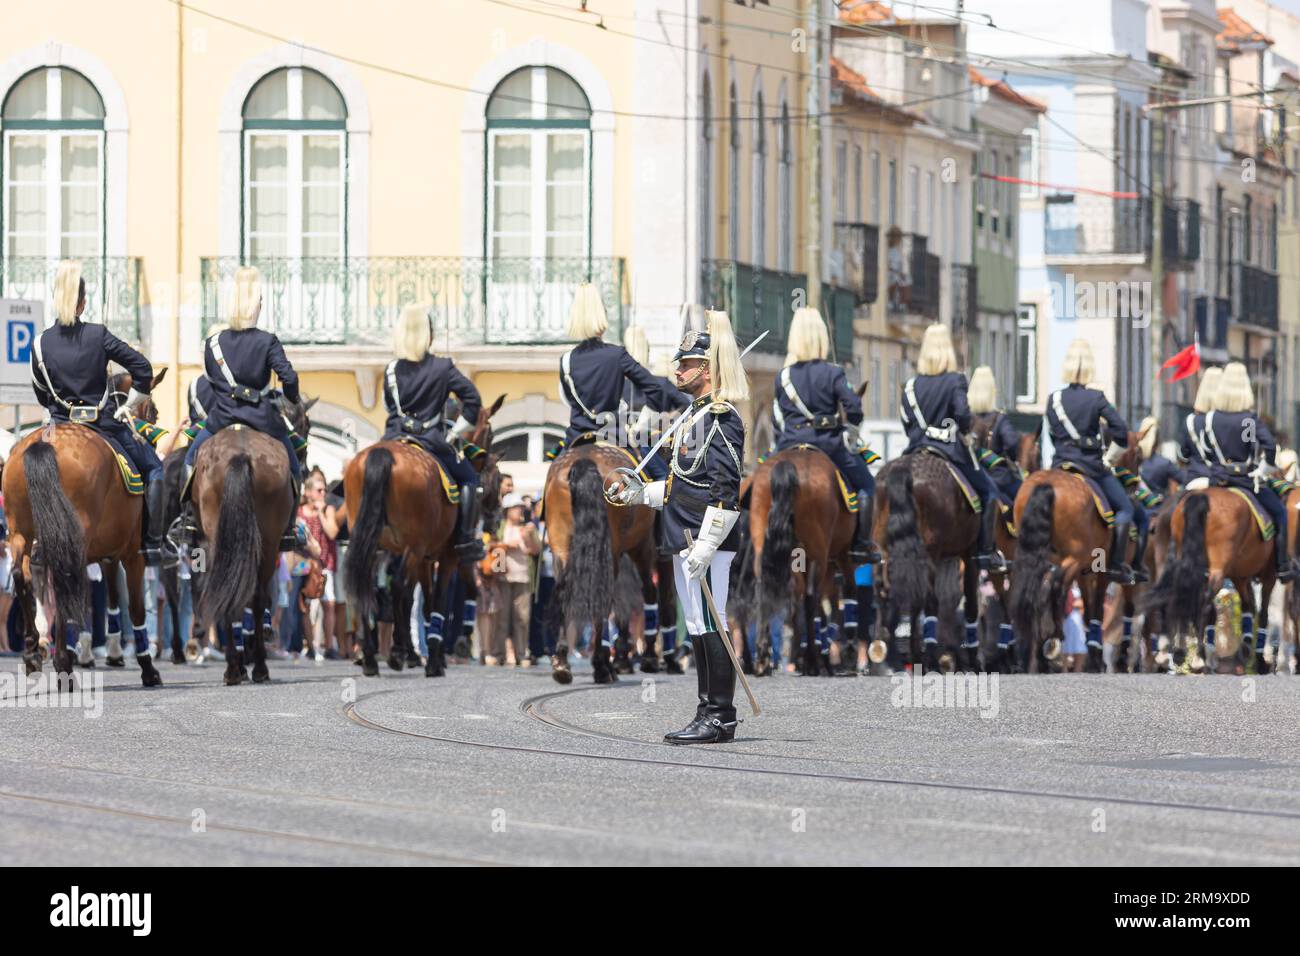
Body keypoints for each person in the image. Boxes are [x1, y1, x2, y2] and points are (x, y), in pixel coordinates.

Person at [611, 311, 748, 745]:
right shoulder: (691, 417)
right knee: (696, 624)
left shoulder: (722, 418)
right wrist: (638, 494)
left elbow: (726, 489)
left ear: (707, 371)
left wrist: (708, 544)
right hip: (682, 534)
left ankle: (720, 715)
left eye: (686, 364)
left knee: (712, 620)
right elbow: (679, 487)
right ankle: (708, 710)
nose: (677, 370)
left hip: (702, 538)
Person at [31, 260, 165, 563]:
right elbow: (142, 368)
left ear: (56, 300)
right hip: (101, 425)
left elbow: (40, 390)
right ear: (81, 303)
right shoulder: (98, 335)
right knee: (155, 468)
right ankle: (151, 543)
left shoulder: (39, 344)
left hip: (57, 425)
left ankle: (33, 538)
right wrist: (130, 404)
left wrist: (57, 409)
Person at [182, 267, 301, 548]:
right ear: (254, 303)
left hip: (221, 420)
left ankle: (187, 520)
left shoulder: (212, 344)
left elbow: (213, 379)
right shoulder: (267, 341)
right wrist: (292, 398)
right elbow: (290, 377)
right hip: (263, 420)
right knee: (294, 468)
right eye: (259, 300)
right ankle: (289, 528)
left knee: (188, 462)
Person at [380, 303, 484, 559]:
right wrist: (455, 433)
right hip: (430, 441)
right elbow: (473, 399)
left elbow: (388, 405)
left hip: (394, 436)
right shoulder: (442, 367)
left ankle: (355, 527)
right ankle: (465, 539)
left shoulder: (391, 369)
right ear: (429, 333)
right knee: (471, 479)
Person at [772, 307, 876, 562]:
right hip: (827, 444)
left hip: (788, 445)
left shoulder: (782, 376)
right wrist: (851, 431)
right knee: (867, 486)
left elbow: (778, 415)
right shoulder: (833, 373)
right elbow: (853, 406)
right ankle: (861, 545)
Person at [899, 324, 1004, 571]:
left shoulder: (911, 385)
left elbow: (906, 420)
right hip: (950, 453)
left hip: (915, 451)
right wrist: (964, 432)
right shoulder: (955, 380)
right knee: (990, 494)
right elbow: (963, 416)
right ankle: (985, 552)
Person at [1045, 338, 1148, 584]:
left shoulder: (1053, 399)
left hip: (1060, 465)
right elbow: (1121, 431)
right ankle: (1114, 565)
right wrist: (1108, 458)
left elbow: (1051, 433)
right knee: (1124, 509)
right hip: (1090, 466)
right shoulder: (1096, 398)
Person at [559, 283, 687, 452]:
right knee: (658, 476)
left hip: (576, 437)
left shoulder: (566, 360)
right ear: (602, 316)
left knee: (555, 470)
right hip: (613, 435)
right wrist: (643, 424)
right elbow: (655, 388)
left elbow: (571, 401)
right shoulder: (617, 354)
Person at [1202, 362, 1296, 582]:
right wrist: (1264, 469)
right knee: (1281, 514)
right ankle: (1282, 566)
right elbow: (1270, 446)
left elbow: (1205, 450)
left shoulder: (1209, 418)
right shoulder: (1248, 420)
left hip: (1216, 481)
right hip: (1245, 482)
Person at [968, 365, 1023, 504]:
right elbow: (1012, 444)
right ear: (992, 391)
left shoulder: (966, 418)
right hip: (996, 477)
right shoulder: (1000, 418)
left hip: (969, 475)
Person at [1178, 366, 1222, 490]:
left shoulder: (1190, 421)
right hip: (1220, 479)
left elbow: (1183, 455)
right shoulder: (1225, 421)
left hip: (1194, 478)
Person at [1137, 416, 1183, 497]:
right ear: (1157, 439)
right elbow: (1184, 479)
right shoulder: (1165, 464)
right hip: (1158, 506)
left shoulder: (1132, 460)